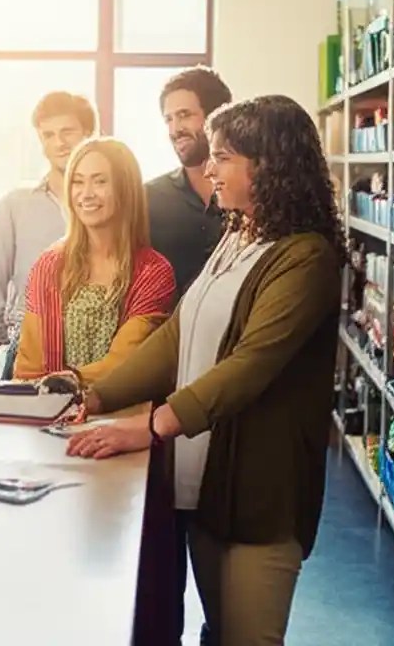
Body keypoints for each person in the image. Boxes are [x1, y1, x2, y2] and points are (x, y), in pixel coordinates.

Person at [67, 95, 346, 645]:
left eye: (223, 157)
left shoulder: (305, 257)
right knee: (218, 632)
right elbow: (177, 334)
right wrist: (94, 394)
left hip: (261, 491)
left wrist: (151, 427)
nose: (208, 168)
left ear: (267, 165)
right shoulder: (238, 235)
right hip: (206, 479)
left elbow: (249, 365)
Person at [14, 137, 175, 385]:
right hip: (47, 413)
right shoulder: (49, 265)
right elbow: (28, 368)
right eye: (78, 182)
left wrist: (69, 383)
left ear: (125, 188)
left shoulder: (153, 272)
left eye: (100, 181)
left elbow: (125, 363)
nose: (86, 194)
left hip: (121, 415)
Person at [0, 92, 95, 380]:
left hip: (96, 355)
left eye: (67, 132)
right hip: (26, 352)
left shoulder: (112, 204)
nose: (59, 143)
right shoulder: (16, 206)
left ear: (89, 134)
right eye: (48, 135)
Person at [146, 66, 233, 298]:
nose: (175, 129)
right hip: (168, 331)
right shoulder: (149, 198)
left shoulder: (249, 194)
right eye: (169, 119)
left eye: (185, 115)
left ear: (217, 117)